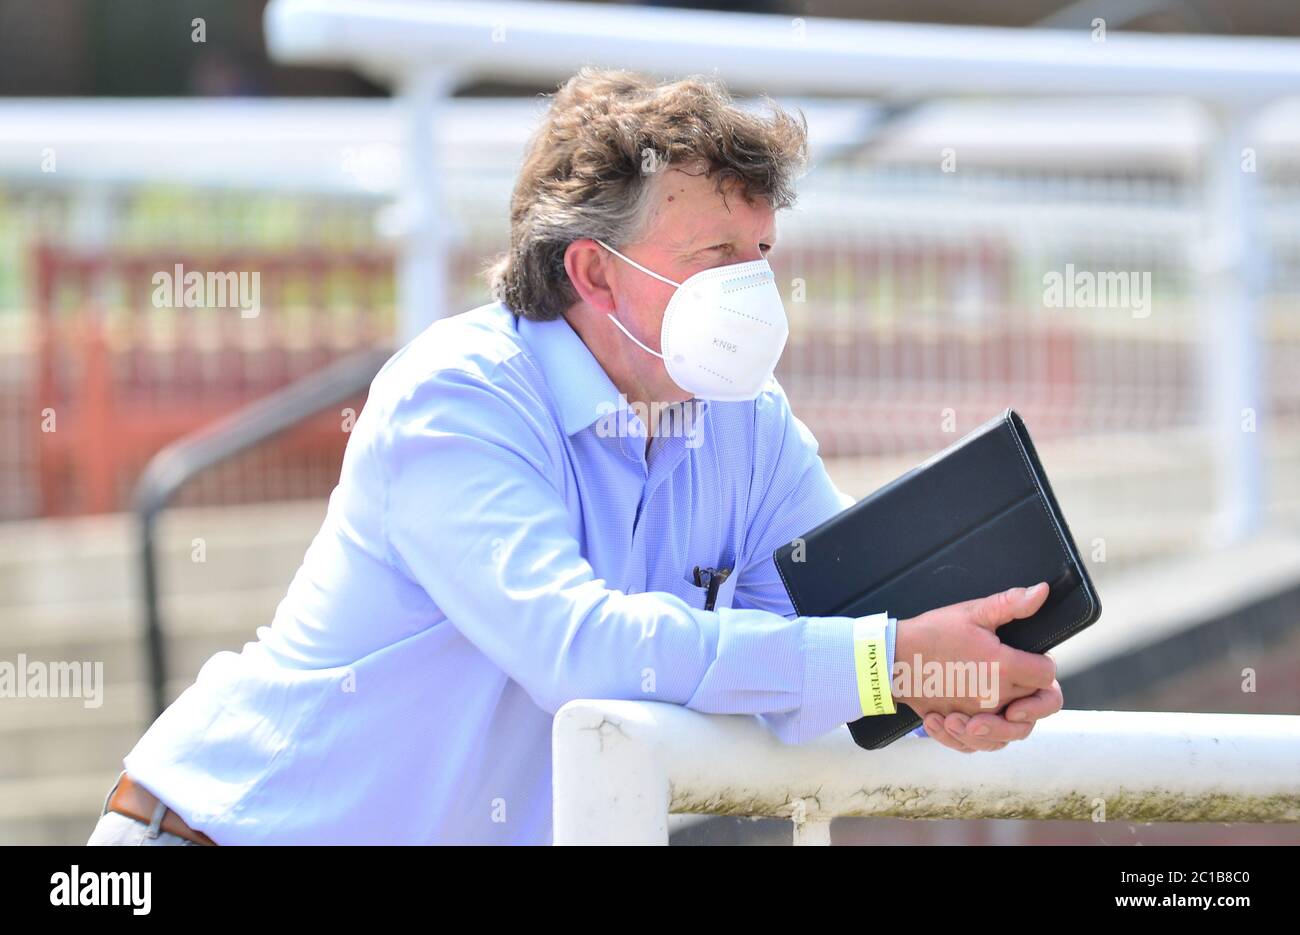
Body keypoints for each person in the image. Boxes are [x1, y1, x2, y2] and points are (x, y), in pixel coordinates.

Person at [87, 67, 1060, 846]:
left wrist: (945, 686)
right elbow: (580, 647)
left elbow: (824, 632)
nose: (754, 286)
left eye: (761, 250)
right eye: (716, 253)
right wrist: (885, 660)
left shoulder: (745, 418)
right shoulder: (457, 394)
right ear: (594, 270)